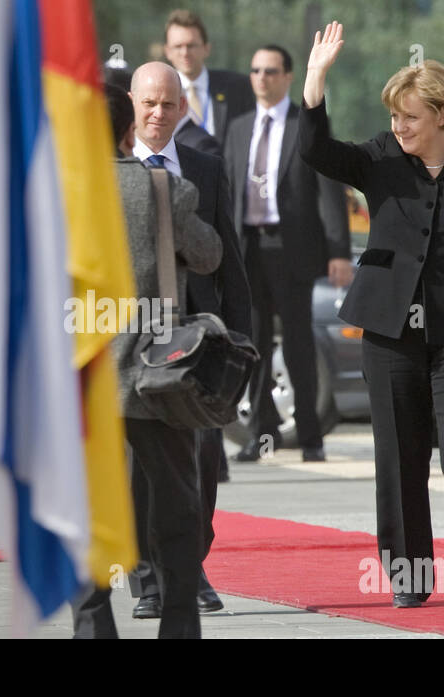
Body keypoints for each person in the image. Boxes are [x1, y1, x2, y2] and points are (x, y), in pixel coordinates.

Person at [301, 23, 444, 608]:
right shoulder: (378, 158)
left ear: (441, 116)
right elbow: (316, 151)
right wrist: (315, 79)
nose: (399, 125)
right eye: (396, 115)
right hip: (389, 331)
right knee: (400, 456)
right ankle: (409, 579)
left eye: (410, 116)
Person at [71, 83, 222, 639]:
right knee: (175, 509)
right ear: (129, 130)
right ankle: (178, 623)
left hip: (81, 377)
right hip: (156, 375)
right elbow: (209, 256)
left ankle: (91, 627)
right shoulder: (163, 187)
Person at [123, 61, 251, 620]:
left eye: (167, 104)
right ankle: (149, 579)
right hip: (127, 345)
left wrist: (242, 344)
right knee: (138, 465)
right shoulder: (110, 171)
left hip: (196, 346)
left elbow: (230, 262)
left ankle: (190, 566)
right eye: (148, 103)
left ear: (183, 108)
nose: (157, 113)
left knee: (199, 461)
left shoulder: (204, 167)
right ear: (132, 104)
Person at [224, 43, 351, 463]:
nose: (262, 78)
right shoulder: (240, 126)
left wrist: (338, 250)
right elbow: (229, 190)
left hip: (293, 249)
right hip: (249, 247)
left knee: (298, 343)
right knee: (253, 342)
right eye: (256, 70)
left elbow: (328, 191)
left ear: (288, 77)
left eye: (271, 71)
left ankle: (311, 437)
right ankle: (262, 433)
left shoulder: (305, 124)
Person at [164, 9, 252, 149]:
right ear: (167, 51)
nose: (185, 53)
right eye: (178, 46)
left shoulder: (238, 87)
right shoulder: (160, 93)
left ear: (206, 48)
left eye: (191, 45)